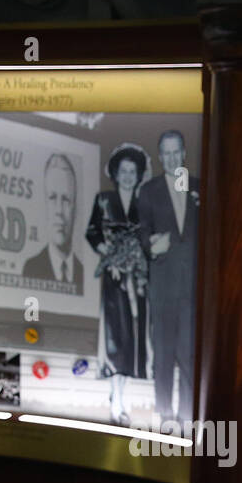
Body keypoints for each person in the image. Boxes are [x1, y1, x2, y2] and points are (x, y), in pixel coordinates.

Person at [135, 130, 199, 426]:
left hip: (191, 290)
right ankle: (164, 416)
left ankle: (186, 417)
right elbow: (141, 231)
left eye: (177, 152)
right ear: (160, 157)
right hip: (163, 289)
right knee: (163, 354)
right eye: (167, 153)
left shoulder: (200, 189)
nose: (173, 158)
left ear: (184, 153)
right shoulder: (148, 191)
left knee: (188, 356)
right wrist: (150, 245)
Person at [86, 142, 150, 425]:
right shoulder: (103, 199)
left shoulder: (144, 202)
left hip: (137, 281)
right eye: (122, 171)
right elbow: (92, 232)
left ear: (138, 174)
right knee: (116, 338)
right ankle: (116, 399)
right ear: (116, 173)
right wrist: (108, 256)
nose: (127, 175)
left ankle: (121, 396)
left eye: (132, 171)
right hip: (113, 281)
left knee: (132, 340)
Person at [22, 153, 83, 292]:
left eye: (66, 199)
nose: (59, 211)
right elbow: (30, 314)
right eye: (52, 198)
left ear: (75, 209)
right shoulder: (31, 269)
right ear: (44, 204)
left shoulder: (85, 275)